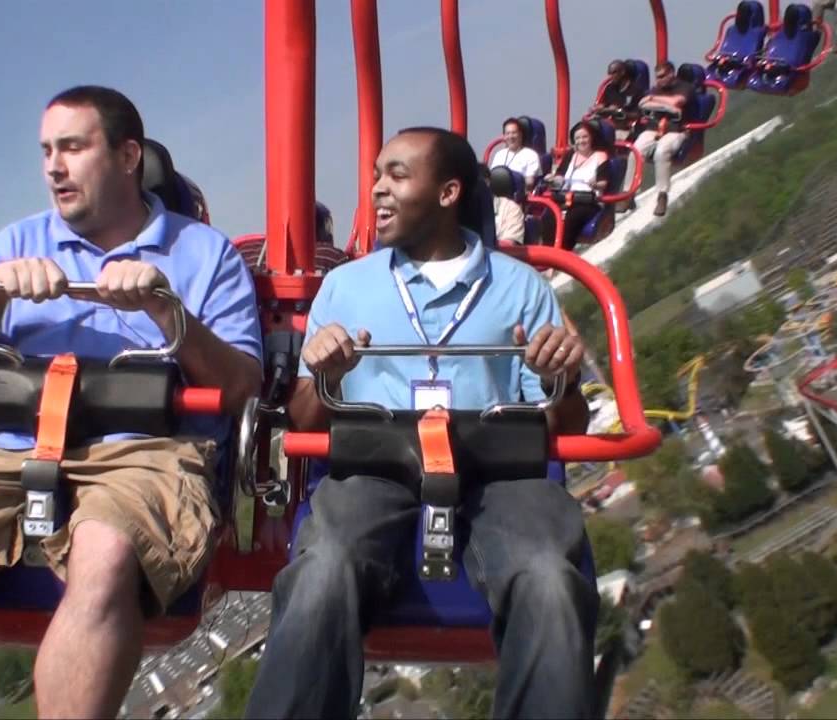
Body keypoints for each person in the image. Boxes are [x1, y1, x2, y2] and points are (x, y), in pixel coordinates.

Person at [0, 85, 263, 719]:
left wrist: (168, 313)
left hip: (139, 450)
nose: (54, 166)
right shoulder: (15, 244)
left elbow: (244, 386)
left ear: (128, 155)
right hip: (1, 450)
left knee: (105, 554)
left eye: (73, 147)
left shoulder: (201, 253)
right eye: (47, 151)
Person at [244, 127, 596, 719]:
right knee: (324, 566)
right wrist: (329, 377)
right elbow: (305, 423)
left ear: (448, 192)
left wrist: (557, 378)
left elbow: (567, 424)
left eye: (398, 176)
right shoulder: (346, 287)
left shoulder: (519, 289)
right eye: (377, 176)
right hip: (375, 471)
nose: (377, 191)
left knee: (546, 575)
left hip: (499, 475)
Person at [624, 60, 694, 217]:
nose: (659, 80)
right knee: (635, 151)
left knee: (661, 152)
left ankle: (662, 195)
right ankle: (629, 193)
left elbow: (678, 102)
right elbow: (643, 103)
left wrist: (655, 101)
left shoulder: (684, 87)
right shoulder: (656, 89)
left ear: (671, 74)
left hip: (676, 130)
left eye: (662, 76)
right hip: (654, 129)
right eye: (657, 77)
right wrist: (663, 104)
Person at [541, 121, 612, 249]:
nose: (581, 141)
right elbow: (560, 176)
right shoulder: (571, 155)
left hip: (586, 200)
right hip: (566, 197)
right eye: (578, 138)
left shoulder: (600, 156)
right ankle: (548, 256)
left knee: (570, 219)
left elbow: (603, 183)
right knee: (548, 216)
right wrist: (552, 179)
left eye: (585, 137)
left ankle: (563, 255)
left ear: (592, 138)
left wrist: (595, 184)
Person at [589, 60, 642, 139]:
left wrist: (618, 111)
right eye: (609, 73)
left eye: (613, 73)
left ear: (622, 72)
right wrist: (598, 108)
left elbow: (638, 115)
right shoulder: (609, 88)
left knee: (601, 139)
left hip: (625, 129)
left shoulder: (636, 91)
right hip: (607, 126)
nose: (610, 77)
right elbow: (604, 106)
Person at [488, 117, 544, 192]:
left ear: (520, 135)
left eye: (514, 133)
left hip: (520, 196)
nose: (511, 137)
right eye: (507, 133)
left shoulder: (531, 155)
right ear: (504, 136)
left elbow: (529, 183)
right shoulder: (499, 155)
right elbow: (492, 178)